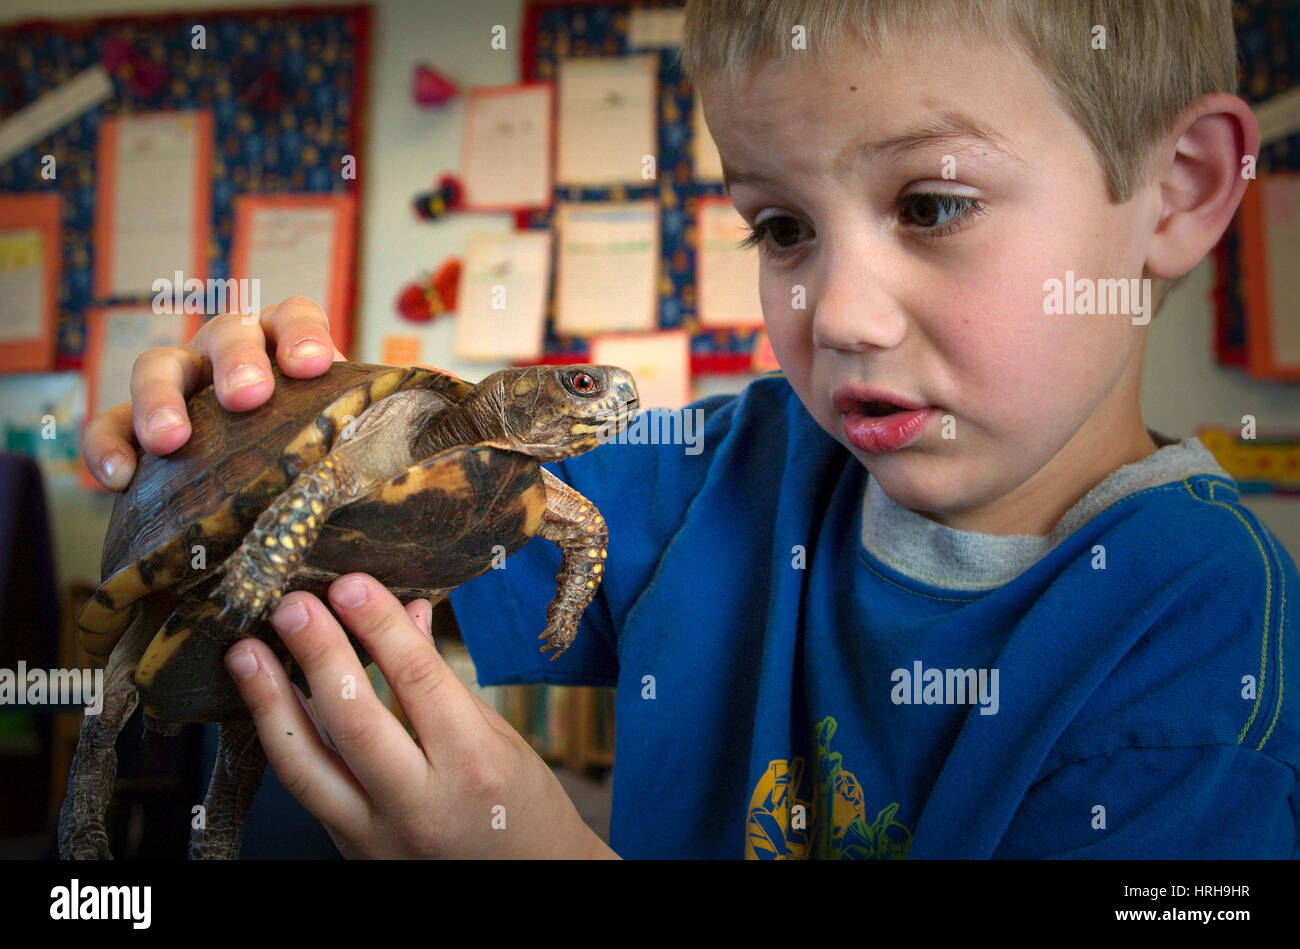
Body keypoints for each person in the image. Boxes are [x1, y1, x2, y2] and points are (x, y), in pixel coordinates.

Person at [83, 0, 1297, 859]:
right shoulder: (721, 474)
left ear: (1181, 188)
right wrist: (222, 442)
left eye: (932, 204)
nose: (841, 315)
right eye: (779, 228)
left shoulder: (1201, 648)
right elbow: (329, 558)